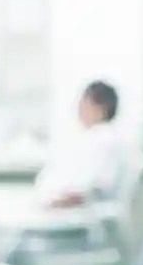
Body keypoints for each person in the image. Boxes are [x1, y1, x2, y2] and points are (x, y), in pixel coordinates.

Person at [34, 80, 126, 209]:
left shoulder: (103, 140)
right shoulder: (95, 137)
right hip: (64, 207)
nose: (79, 108)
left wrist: (59, 202)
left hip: (73, 212)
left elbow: (91, 189)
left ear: (101, 109)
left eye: (84, 103)